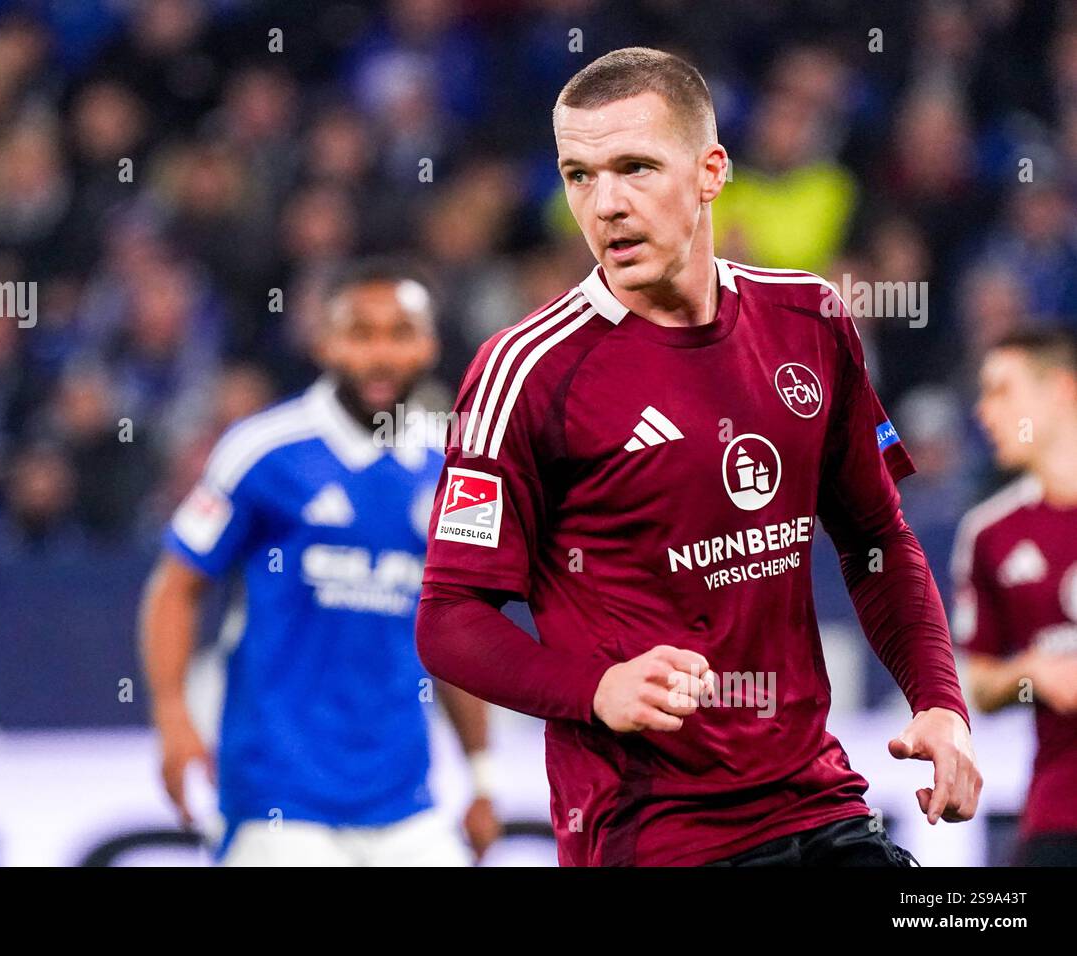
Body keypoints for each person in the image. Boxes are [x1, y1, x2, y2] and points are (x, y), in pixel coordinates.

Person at [415, 47, 981, 867]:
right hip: (653, 834)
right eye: (579, 175)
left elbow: (875, 537)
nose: (605, 205)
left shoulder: (811, 322)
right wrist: (595, 690)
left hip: (820, 804)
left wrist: (938, 700)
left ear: (712, 171)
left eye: (635, 168)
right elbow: (449, 618)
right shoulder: (524, 372)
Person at [141, 258, 499, 865]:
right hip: (277, 804)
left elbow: (456, 632)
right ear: (326, 342)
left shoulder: (455, 468)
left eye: (399, 333)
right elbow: (177, 588)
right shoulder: (263, 452)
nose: (380, 355)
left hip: (406, 804)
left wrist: (482, 777)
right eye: (361, 333)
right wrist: (173, 715)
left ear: (429, 345)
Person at [952, 328, 1077, 866]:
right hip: (1057, 814)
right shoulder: (990, 533)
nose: (984, 412)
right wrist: (1033, 674)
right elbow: (977, 683)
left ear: (1061, 390)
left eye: (1002, 391)